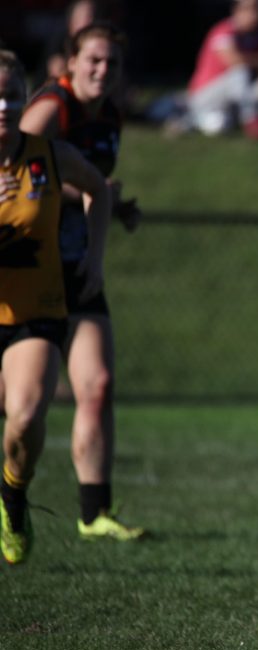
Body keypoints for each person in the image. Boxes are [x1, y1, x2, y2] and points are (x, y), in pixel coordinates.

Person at [18, 22, 144, 542]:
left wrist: (115, 206)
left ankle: (94, 514)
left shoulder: (109, 114)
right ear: (70, 62)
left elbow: (88, 188)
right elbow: (15, 170)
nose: (102, 70)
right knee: (22, 400)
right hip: (27, 268)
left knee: (98, 385)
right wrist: (90, 191)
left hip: (78, 265)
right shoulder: (52, 108)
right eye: (93, 59)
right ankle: (13, 497)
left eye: (112, 63)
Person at [0, 49, 112, 564]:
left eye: (11, 95)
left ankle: (13, 497)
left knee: (25, 416)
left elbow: (98, 190)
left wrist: (94, 255)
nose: (4, 106)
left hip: (35, 313)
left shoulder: (49, 155)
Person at [181, 0, 258, 137]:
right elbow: (234, 61)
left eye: (256, 9)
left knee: (219, 124)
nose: (253, 14)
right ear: (236, 11)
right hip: (204, 94)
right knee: (240, 72)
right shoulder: (223, 31)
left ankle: (189, 121)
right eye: (247, 9)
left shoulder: (255, 35)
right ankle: (251, 117)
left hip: (228, 101)